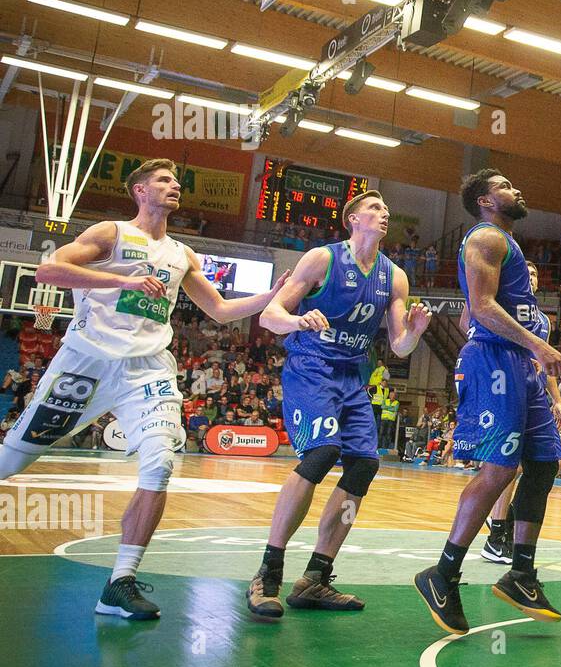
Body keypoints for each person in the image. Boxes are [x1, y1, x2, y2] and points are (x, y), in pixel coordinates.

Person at [0, 159, 288, 620]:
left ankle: (120, 582)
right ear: (139, 191)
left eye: (176, 181)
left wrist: (273, 295)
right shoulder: (110, 233)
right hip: (86, 364)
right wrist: (121, 278)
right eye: (163, 180)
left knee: (159, 465)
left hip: (147, 370)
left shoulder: (181, 254)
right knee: (11, 460)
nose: (175, 186)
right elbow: (49, 272)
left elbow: (219, 310)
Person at [247, 191, 431, 618]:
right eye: (375, 208)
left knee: (364, 465)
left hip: (352, 378)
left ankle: (315, 576)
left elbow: (401, 347)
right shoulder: (321, 260)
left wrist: (416, 331)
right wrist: (297, 320)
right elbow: (269, 315)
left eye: (387, 209)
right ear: (353, 219)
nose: (384, 214)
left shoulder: (395, 277)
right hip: (310, 368)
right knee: (321, 453)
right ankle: (268, 572)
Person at [414, 169, 561, 635]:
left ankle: (521, 572)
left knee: (544, 463)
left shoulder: (506, 245)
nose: (517, 188)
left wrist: (530, 343)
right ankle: (442, 574)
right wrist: (538, 345)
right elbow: (479, 310)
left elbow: (466, 312)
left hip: (520, 364)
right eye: (506, 185)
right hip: (498, 363)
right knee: (499, 469)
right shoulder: (484, 236)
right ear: (485, 200)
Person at [480, 261, 561, 564]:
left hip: (535, 392)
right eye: (525, 273)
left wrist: (557, 400)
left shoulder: (543, 319)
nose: (530, 278)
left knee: (549, 463)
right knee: (508, 466)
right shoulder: (504, 308)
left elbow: (547, 363)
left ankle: (506, 523)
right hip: (506, 390)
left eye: (534, 274)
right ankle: (496, 535)